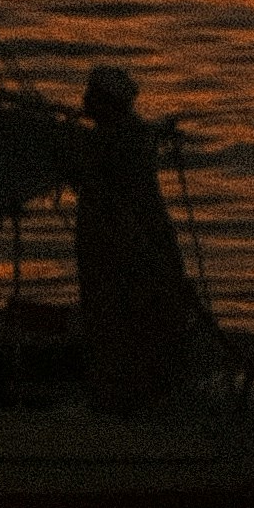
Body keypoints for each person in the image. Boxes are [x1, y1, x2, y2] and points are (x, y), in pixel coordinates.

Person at [71, 65, 202, 415]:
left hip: (127, 246)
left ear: (108, 103)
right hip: (133, 243)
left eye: (92, 95)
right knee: (130, 315)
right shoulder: (125, 138)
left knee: (125, 318)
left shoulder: (115, 143)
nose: (84, 100)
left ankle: (130, 397)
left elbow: (114, 198)